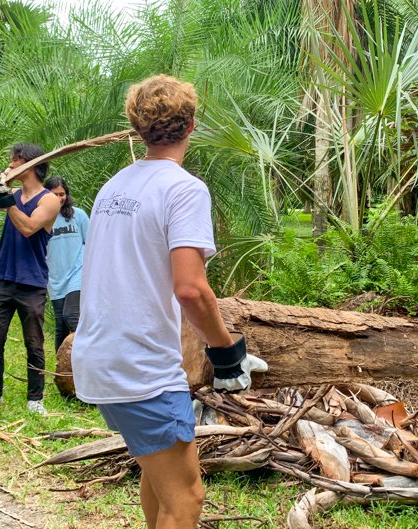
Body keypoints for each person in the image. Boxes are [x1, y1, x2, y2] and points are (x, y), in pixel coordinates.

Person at [71, 75, 267, 529]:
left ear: (135, 126)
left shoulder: (115, 187)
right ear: (192, 125)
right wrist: (227, 354)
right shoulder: (183, 189)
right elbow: (191, 289)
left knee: (160, 482)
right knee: (188, 498)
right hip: (143, 369)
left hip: (99, 357)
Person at [0, 144, 62, 417]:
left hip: (31, 282)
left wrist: (7, 198)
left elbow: (30, 227)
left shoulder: (49, 200)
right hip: (1, 278)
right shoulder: (13, 193)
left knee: (34, 342)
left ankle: (35, 399)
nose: (11, 163)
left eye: (16, 160)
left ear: (31, 165)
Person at [43, 176, 89, 353]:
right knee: (60, 326)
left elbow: (91, 242)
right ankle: (62, 372)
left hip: (78, 272)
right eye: (54, 194)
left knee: (72, 316)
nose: (59, 198)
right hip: (55, 276)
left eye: (62, 194)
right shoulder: (42, 218)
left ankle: (82, 363)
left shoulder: (78, 215)